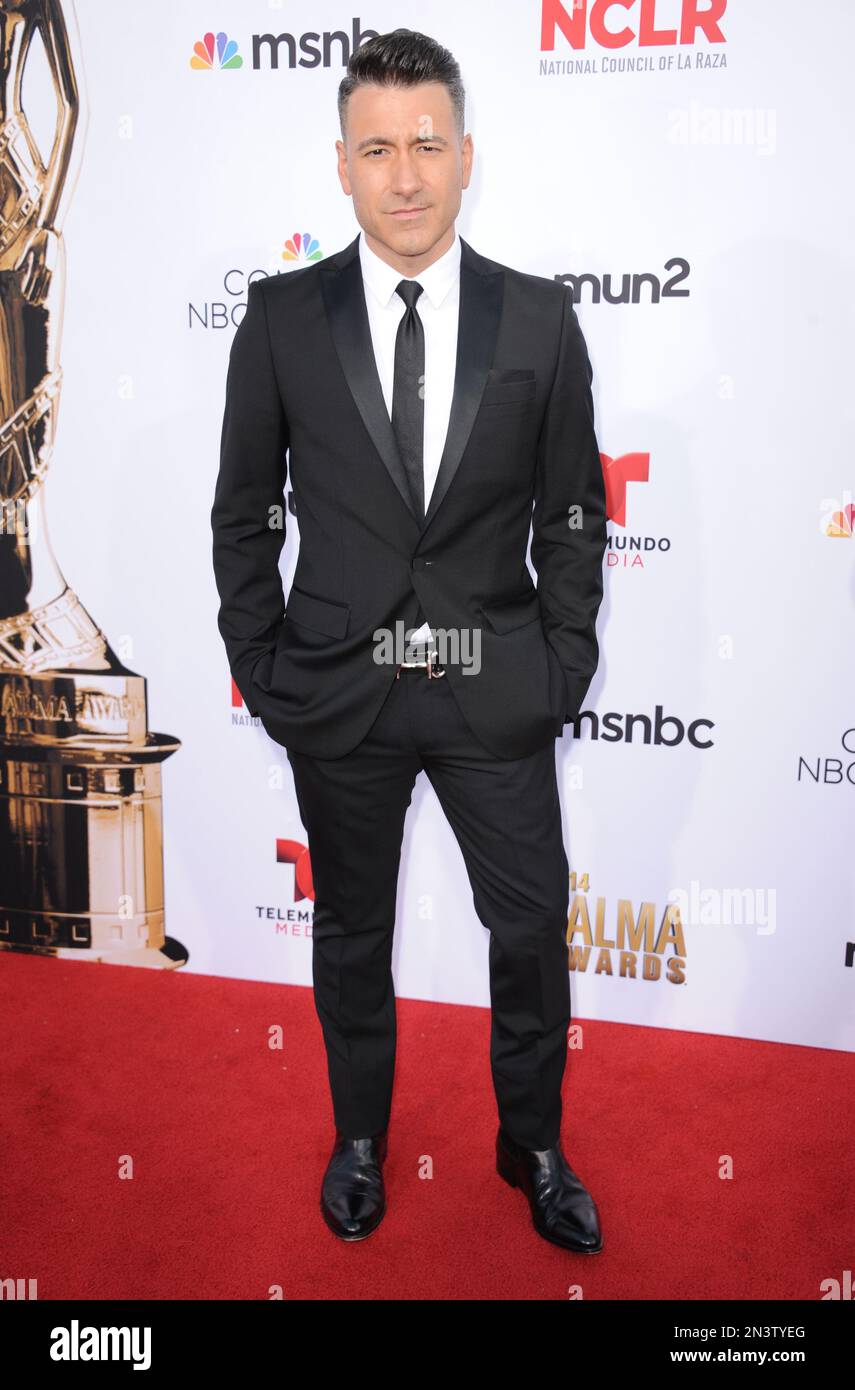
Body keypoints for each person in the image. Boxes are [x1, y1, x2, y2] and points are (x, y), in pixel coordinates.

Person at [211, 28, 608, 1254]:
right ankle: (363, 1140)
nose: (406, 174)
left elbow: (574, 511)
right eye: (377, 147)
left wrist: (563, 660)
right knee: (353, 936)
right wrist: (267, 669)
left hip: (497, 691)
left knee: (531, 930)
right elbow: (241, 515)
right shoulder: (279, 318)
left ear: (467, 153)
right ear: (341, 164)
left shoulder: (539, 321)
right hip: (344, 697)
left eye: (427, 143)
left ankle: (532, 1143)